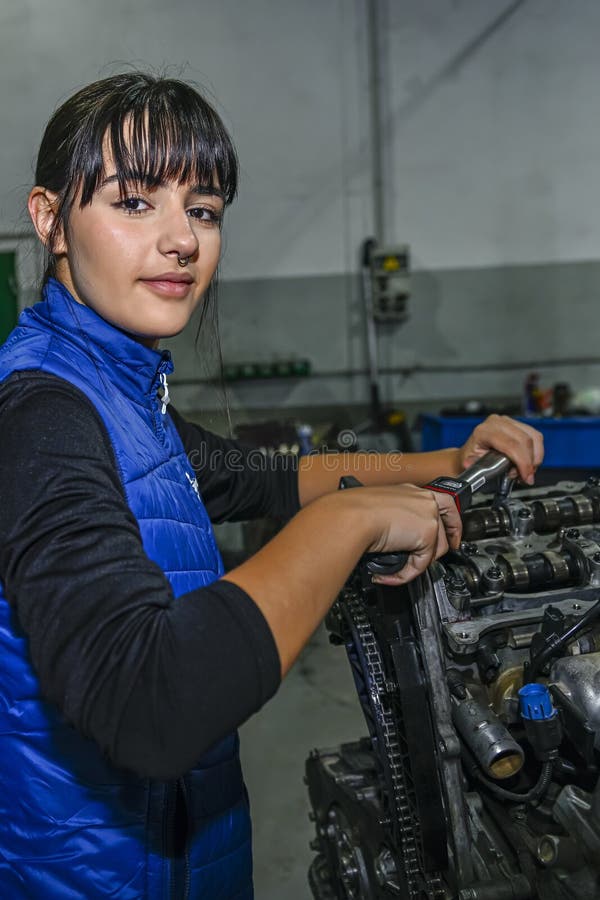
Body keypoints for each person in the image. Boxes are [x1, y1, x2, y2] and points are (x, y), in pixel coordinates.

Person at [0, 72, 543, 899]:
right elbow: (150, 704)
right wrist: (351, 522)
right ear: (51, 220)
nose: (183, 239)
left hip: (179, 855)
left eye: (205, 210)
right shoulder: (41, 413)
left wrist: (446, 464)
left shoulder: (113, 389)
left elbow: (254, 477)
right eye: (136, 202)